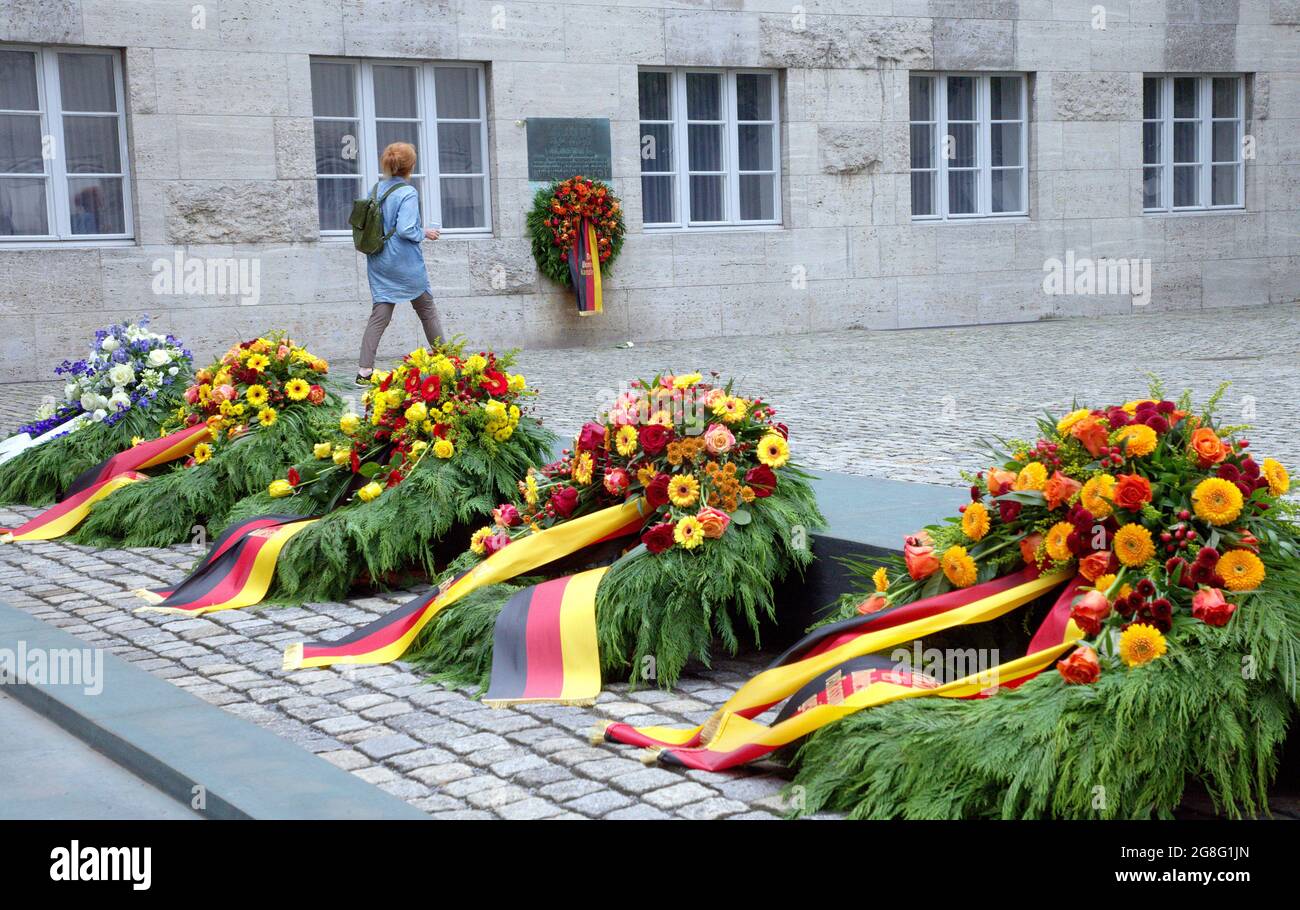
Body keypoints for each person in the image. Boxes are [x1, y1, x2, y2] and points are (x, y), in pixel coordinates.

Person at [356, 141, 444, 386]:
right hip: (403, 261)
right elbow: (406, 229)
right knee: (427, 309)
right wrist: (424, 233)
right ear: (410, 166)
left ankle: (364, 371)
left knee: (380, 314)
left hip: (379, 259)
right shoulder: (407, 192)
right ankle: (448, 361)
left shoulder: (376, 189)